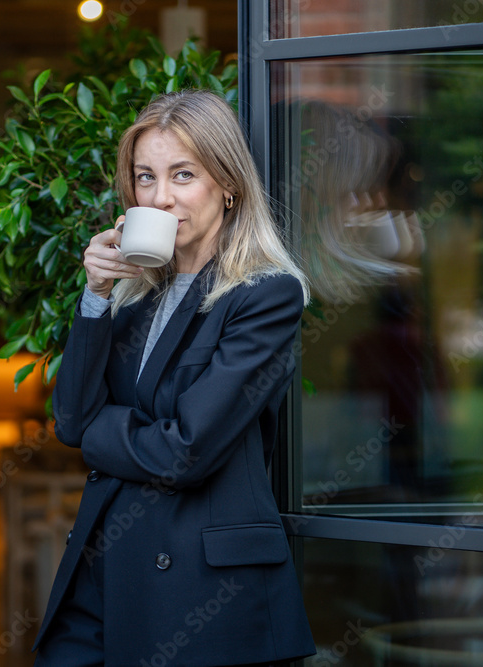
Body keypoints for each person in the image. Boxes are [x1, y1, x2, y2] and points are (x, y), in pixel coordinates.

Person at [31, 90, 317, 666]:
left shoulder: (265, 295)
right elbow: (70, 421)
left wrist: (99, 433)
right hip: (106, 570)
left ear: (228, 184)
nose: (160, 198)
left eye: (182, 175)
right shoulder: (136, 297)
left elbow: (186, 451)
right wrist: (95, 295)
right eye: (145, 178)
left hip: (201, 597)